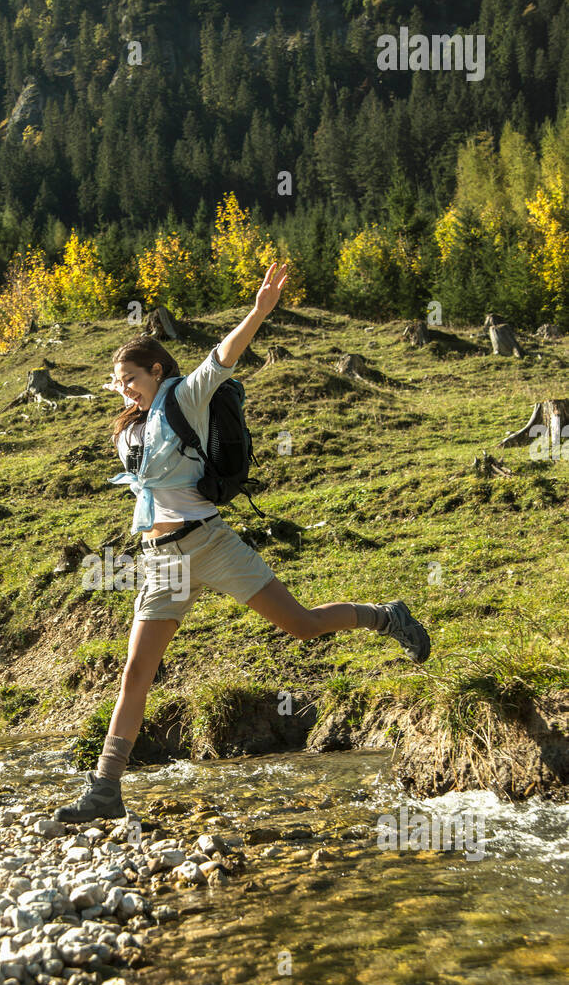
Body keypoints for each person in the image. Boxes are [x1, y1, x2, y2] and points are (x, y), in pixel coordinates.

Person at [54, 262, 430, 823]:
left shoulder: (185, 398)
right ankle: (105, 789)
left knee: (300, 625)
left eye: (130, 378)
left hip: (210, 544)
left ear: (156, 370)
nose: (122, 387)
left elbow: (221, 358)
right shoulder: (130, 429)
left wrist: (258, 311)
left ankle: (385, 616)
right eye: (116, 381)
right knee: (136, 673)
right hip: (162, 563)